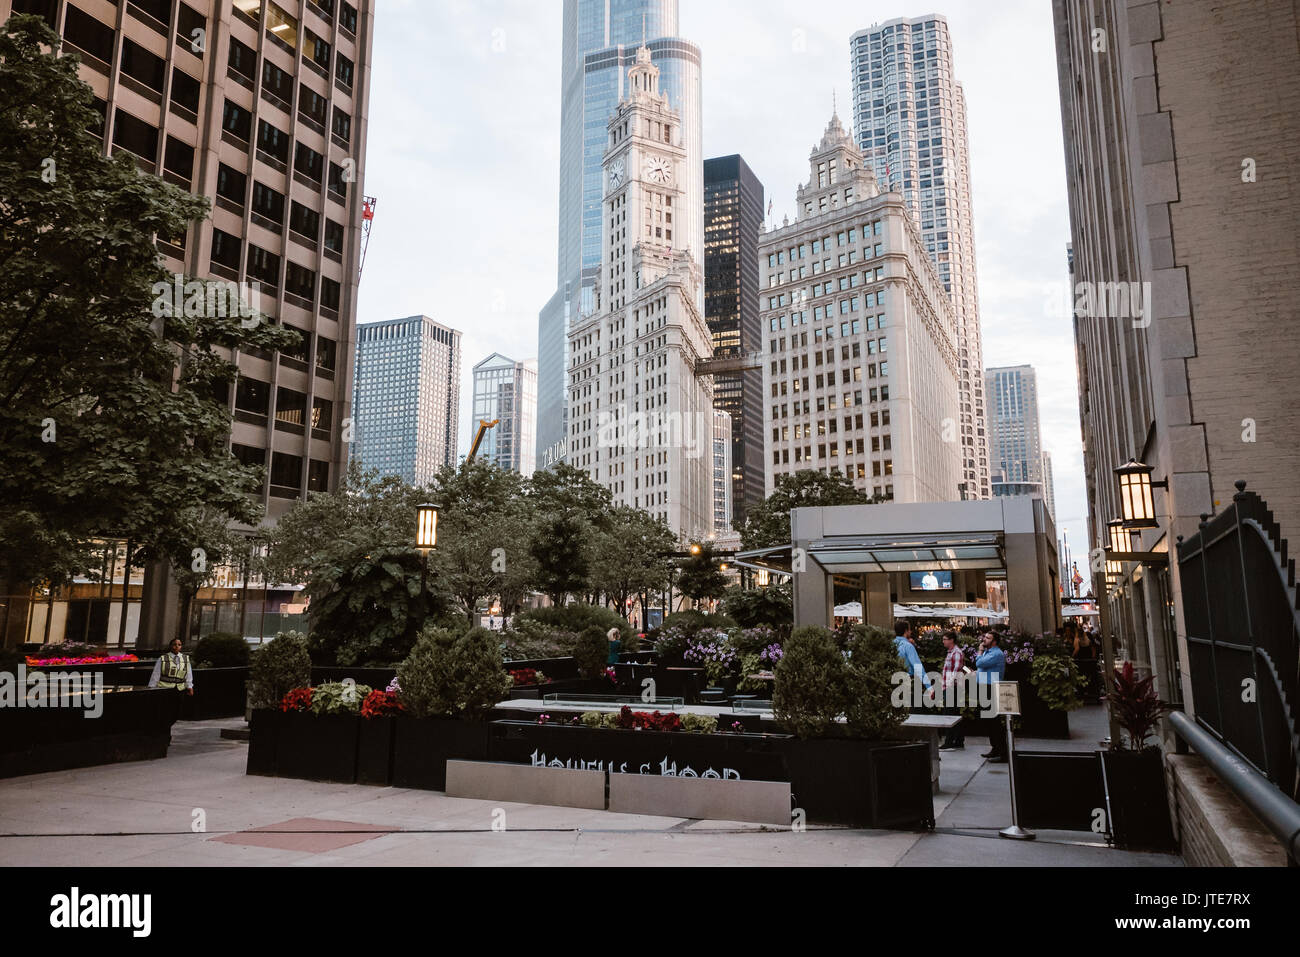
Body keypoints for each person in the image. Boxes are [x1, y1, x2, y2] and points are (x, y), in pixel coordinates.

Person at [975, 632, 1008, 763]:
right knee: (989, 722)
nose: (984, 639)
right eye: (985, 637)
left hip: (991, 688)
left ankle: (1002, 752)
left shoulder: (996, 653)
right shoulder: (988, 652)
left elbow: (980, 663)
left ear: (994, 641)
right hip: (984, 687)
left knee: (994, 722)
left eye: (988, 638)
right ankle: (995, 748)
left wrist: (979, 651)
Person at [938, 630, 965, 750]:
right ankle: (959, 740)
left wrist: (948, 685)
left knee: (949, 714)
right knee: (954, 713)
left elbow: (956, 670)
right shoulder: (950, 652)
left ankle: (949, 741)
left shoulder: (956, 653)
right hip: (949, 687)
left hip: (952, 688)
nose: (943, 641)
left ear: (951, 640)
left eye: (945, 639)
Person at [893, 619, 931, 692]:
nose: (910, 631)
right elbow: (917, 667)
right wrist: (929, 686)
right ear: (905, 631)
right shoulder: (908, 646)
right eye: (909, 629)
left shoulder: (891, 643)